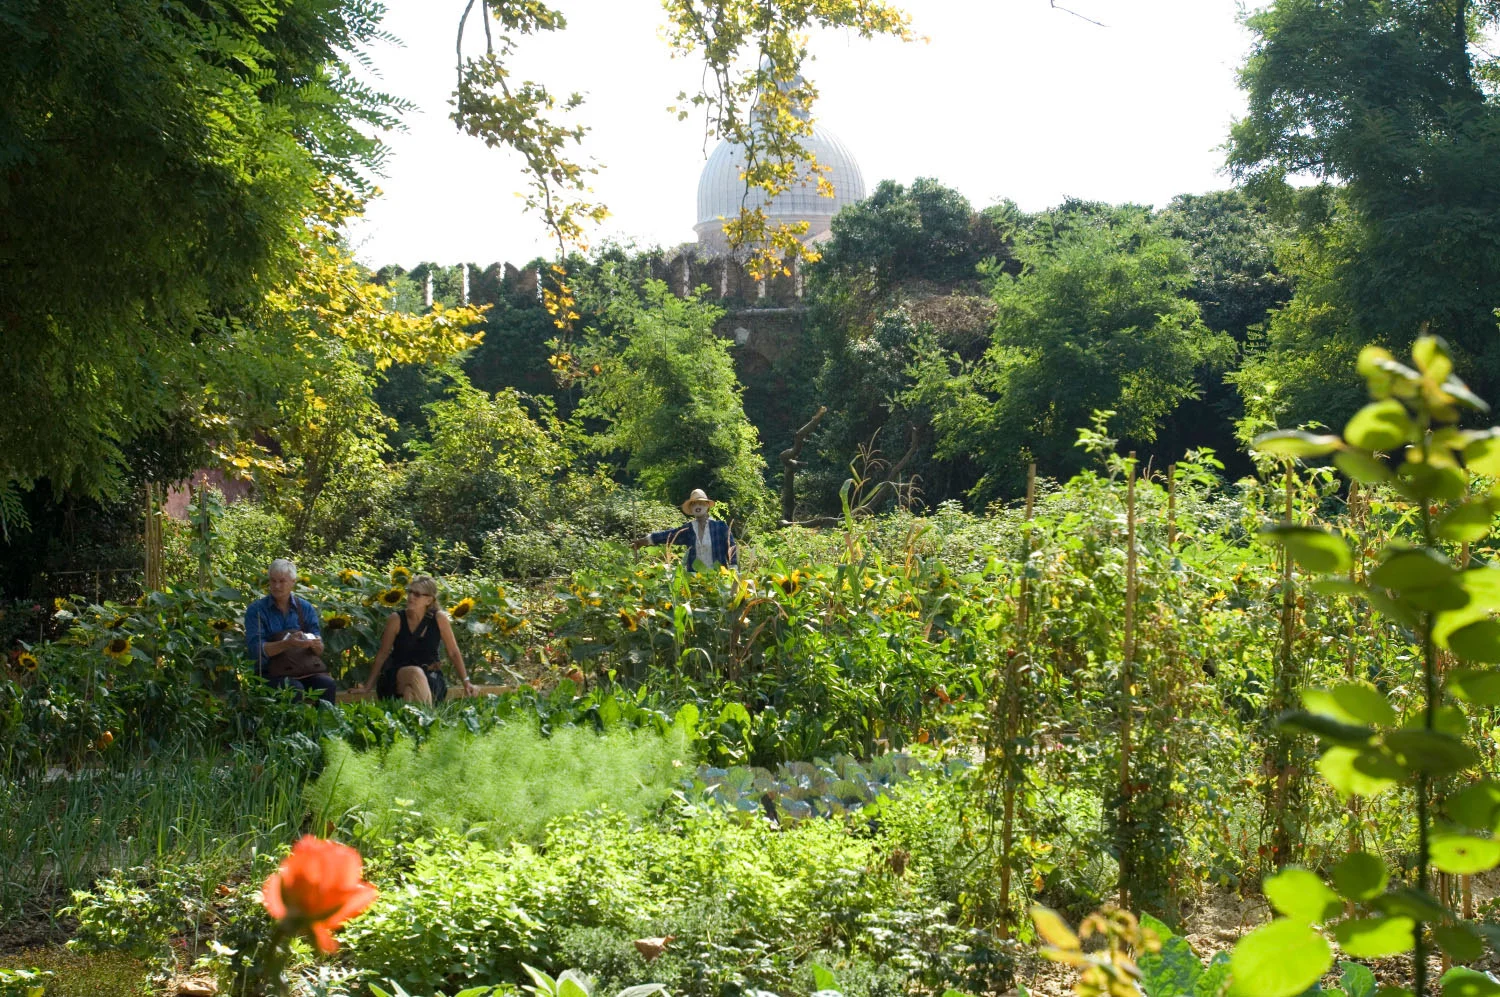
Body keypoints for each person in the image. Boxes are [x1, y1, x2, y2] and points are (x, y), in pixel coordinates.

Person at [357, 574, 476, 704]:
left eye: (417, 594)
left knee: (409, 694)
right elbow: (383, 653)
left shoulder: (439, 619)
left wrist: (466, 681)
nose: (411, 597)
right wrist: (368, 686)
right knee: (415, 672)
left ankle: (419, 720)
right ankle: (432, 718)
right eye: (410, 592)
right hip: (398, 676)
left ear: (429, 600)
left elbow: (453, 652)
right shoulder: (396, 619)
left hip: (431, 677)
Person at [244, 558, 337, 706]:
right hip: (269, 673)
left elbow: (319, 650)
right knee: (293, 689)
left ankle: (323, 727)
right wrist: (286, 644)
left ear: (293, 582)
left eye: (282, 581)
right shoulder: (257, 610)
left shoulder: (305, 608)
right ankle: (290, 728)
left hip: (303, 670)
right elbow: (256, 649)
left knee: (327, 684)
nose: (276, 586)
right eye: (273, 581)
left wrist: (315, 644)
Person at [631, 488, 738, 571]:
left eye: (701, 503)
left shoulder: (720, 527)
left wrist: (733, 568)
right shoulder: (689, 529)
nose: (698, 506)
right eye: (694, 504)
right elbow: (669, 535)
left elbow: (731, 547)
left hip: (717, 576)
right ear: (691, 509)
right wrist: (646, 540)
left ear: (707, 506)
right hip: (694, 578)